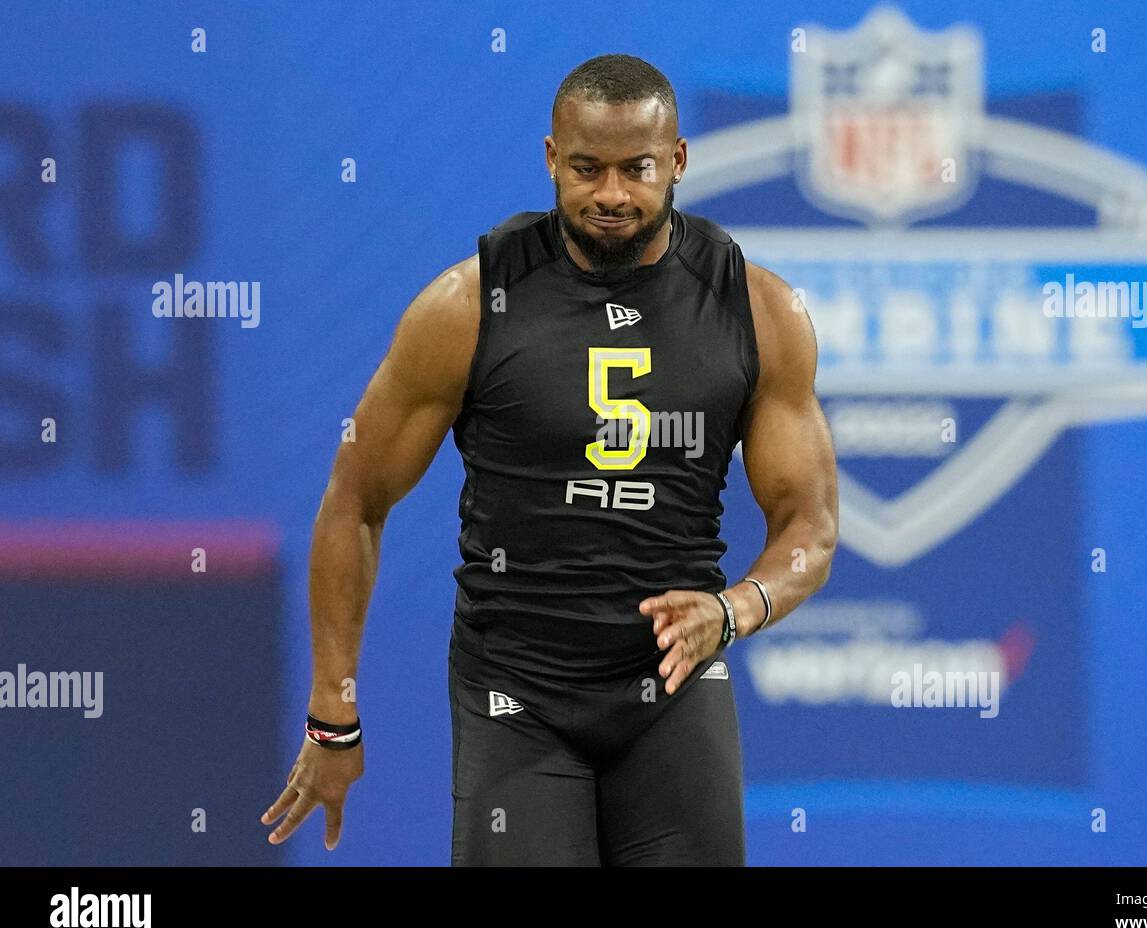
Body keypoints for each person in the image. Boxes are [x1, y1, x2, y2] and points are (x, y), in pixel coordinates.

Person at [262, 53, 838, 865]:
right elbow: (354, 501)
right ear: (549, 159)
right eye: (585, 168)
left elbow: (809, 527)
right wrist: (333, 715)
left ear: (676, 161)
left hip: (673, 688)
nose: (610, 195)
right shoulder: (466, 308)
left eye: (636, 169)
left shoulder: (759, 312)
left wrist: (733, 607)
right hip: (516, 693)